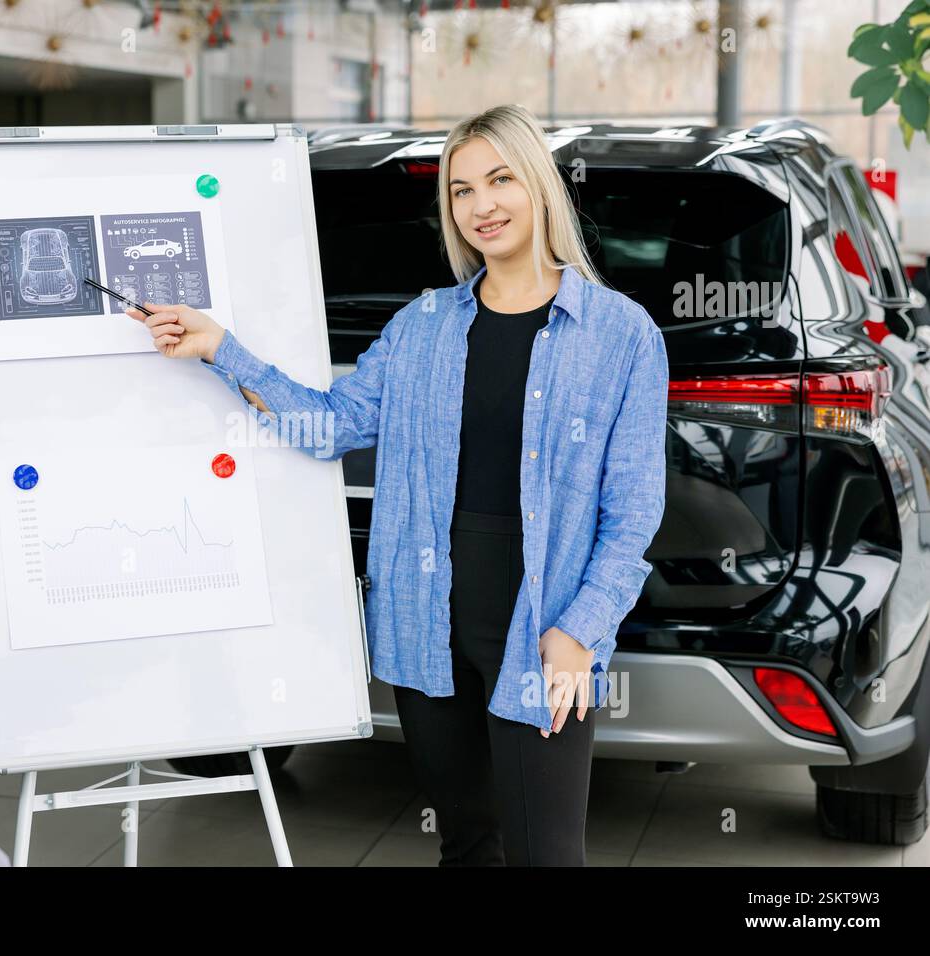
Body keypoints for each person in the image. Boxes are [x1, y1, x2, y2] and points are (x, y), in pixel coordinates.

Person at [126, 103, 669, 866]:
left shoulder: (622, 334)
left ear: (539, 186)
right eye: (461, 190)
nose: (481, 206)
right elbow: (330, 426)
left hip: (544, 621)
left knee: (548, 854)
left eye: (500, 180)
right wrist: (223, 350)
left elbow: (634, 509)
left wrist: (580, 630)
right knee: (466, 845)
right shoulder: (423, 327)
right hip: (426, 619)